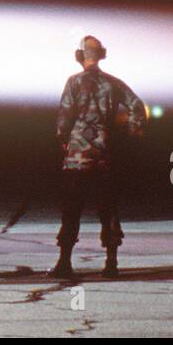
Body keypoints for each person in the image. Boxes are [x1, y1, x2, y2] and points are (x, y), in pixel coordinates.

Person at [50, 34, 148, 279]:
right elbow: (137, 105)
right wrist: (133, 131)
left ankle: (64, 262)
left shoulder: (73, 82)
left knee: (72, 207)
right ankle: (111, 262)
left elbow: (64, 118)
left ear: (80, 57)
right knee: (108, 206)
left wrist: (64, 140)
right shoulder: (113, 84)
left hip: (78, 154)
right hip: (104, 152)